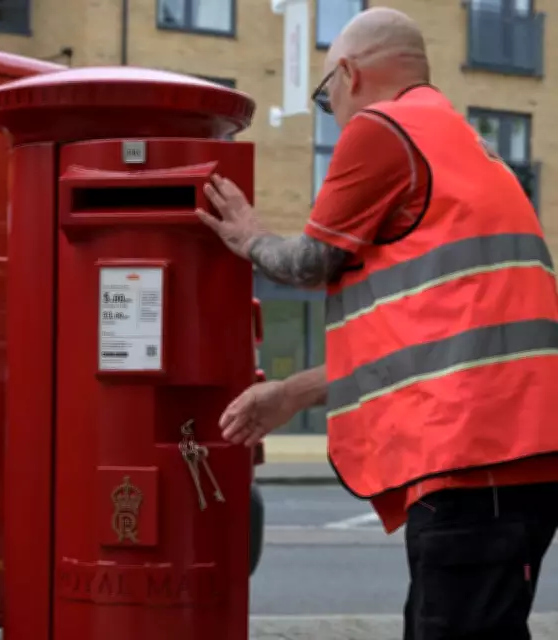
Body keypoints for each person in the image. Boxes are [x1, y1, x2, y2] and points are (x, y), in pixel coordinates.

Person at [196, 6, 558, 640]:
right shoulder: (465, 146)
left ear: (348, 73)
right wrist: (289, 395)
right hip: (508, 459)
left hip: (474, 459)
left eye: (325, 92)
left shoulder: (383, 130)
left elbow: (309, 261)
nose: (330, 108)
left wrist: (250, 237)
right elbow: (421, 348)